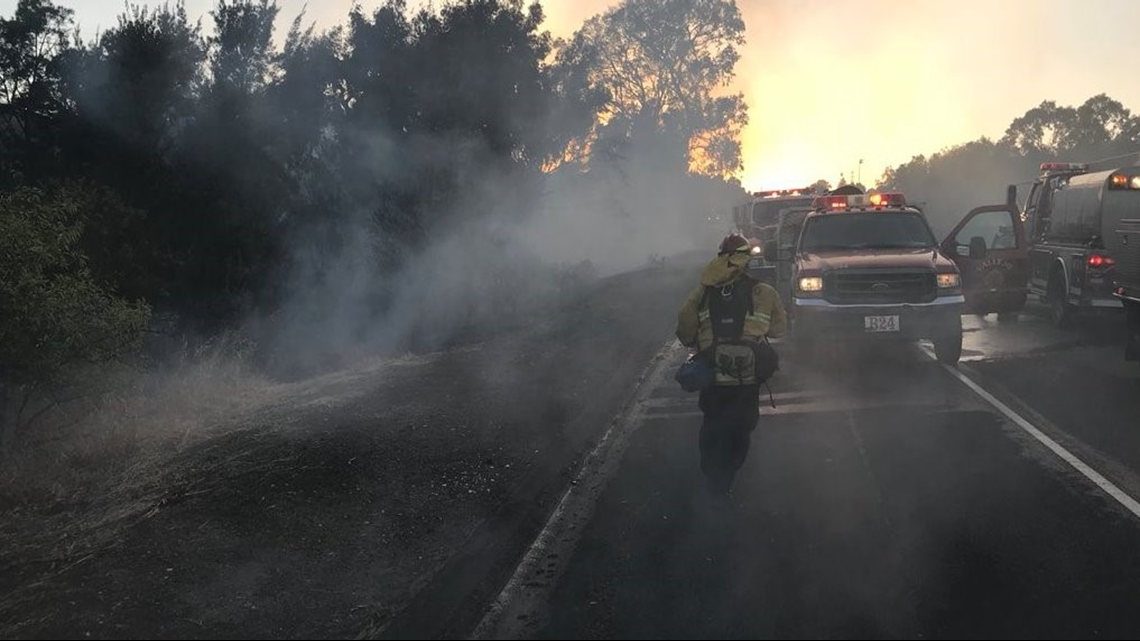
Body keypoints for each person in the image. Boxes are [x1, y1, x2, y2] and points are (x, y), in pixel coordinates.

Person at [676, 234, 787, 495]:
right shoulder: (764, 292)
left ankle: (714, 477)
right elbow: (779, 330)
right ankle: (728, 475)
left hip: (712, 377)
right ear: (747, 261)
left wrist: (696, 342)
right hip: (746, 379)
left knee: (712, 423)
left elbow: (684, 324)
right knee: (742, 429)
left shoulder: (702, 292)